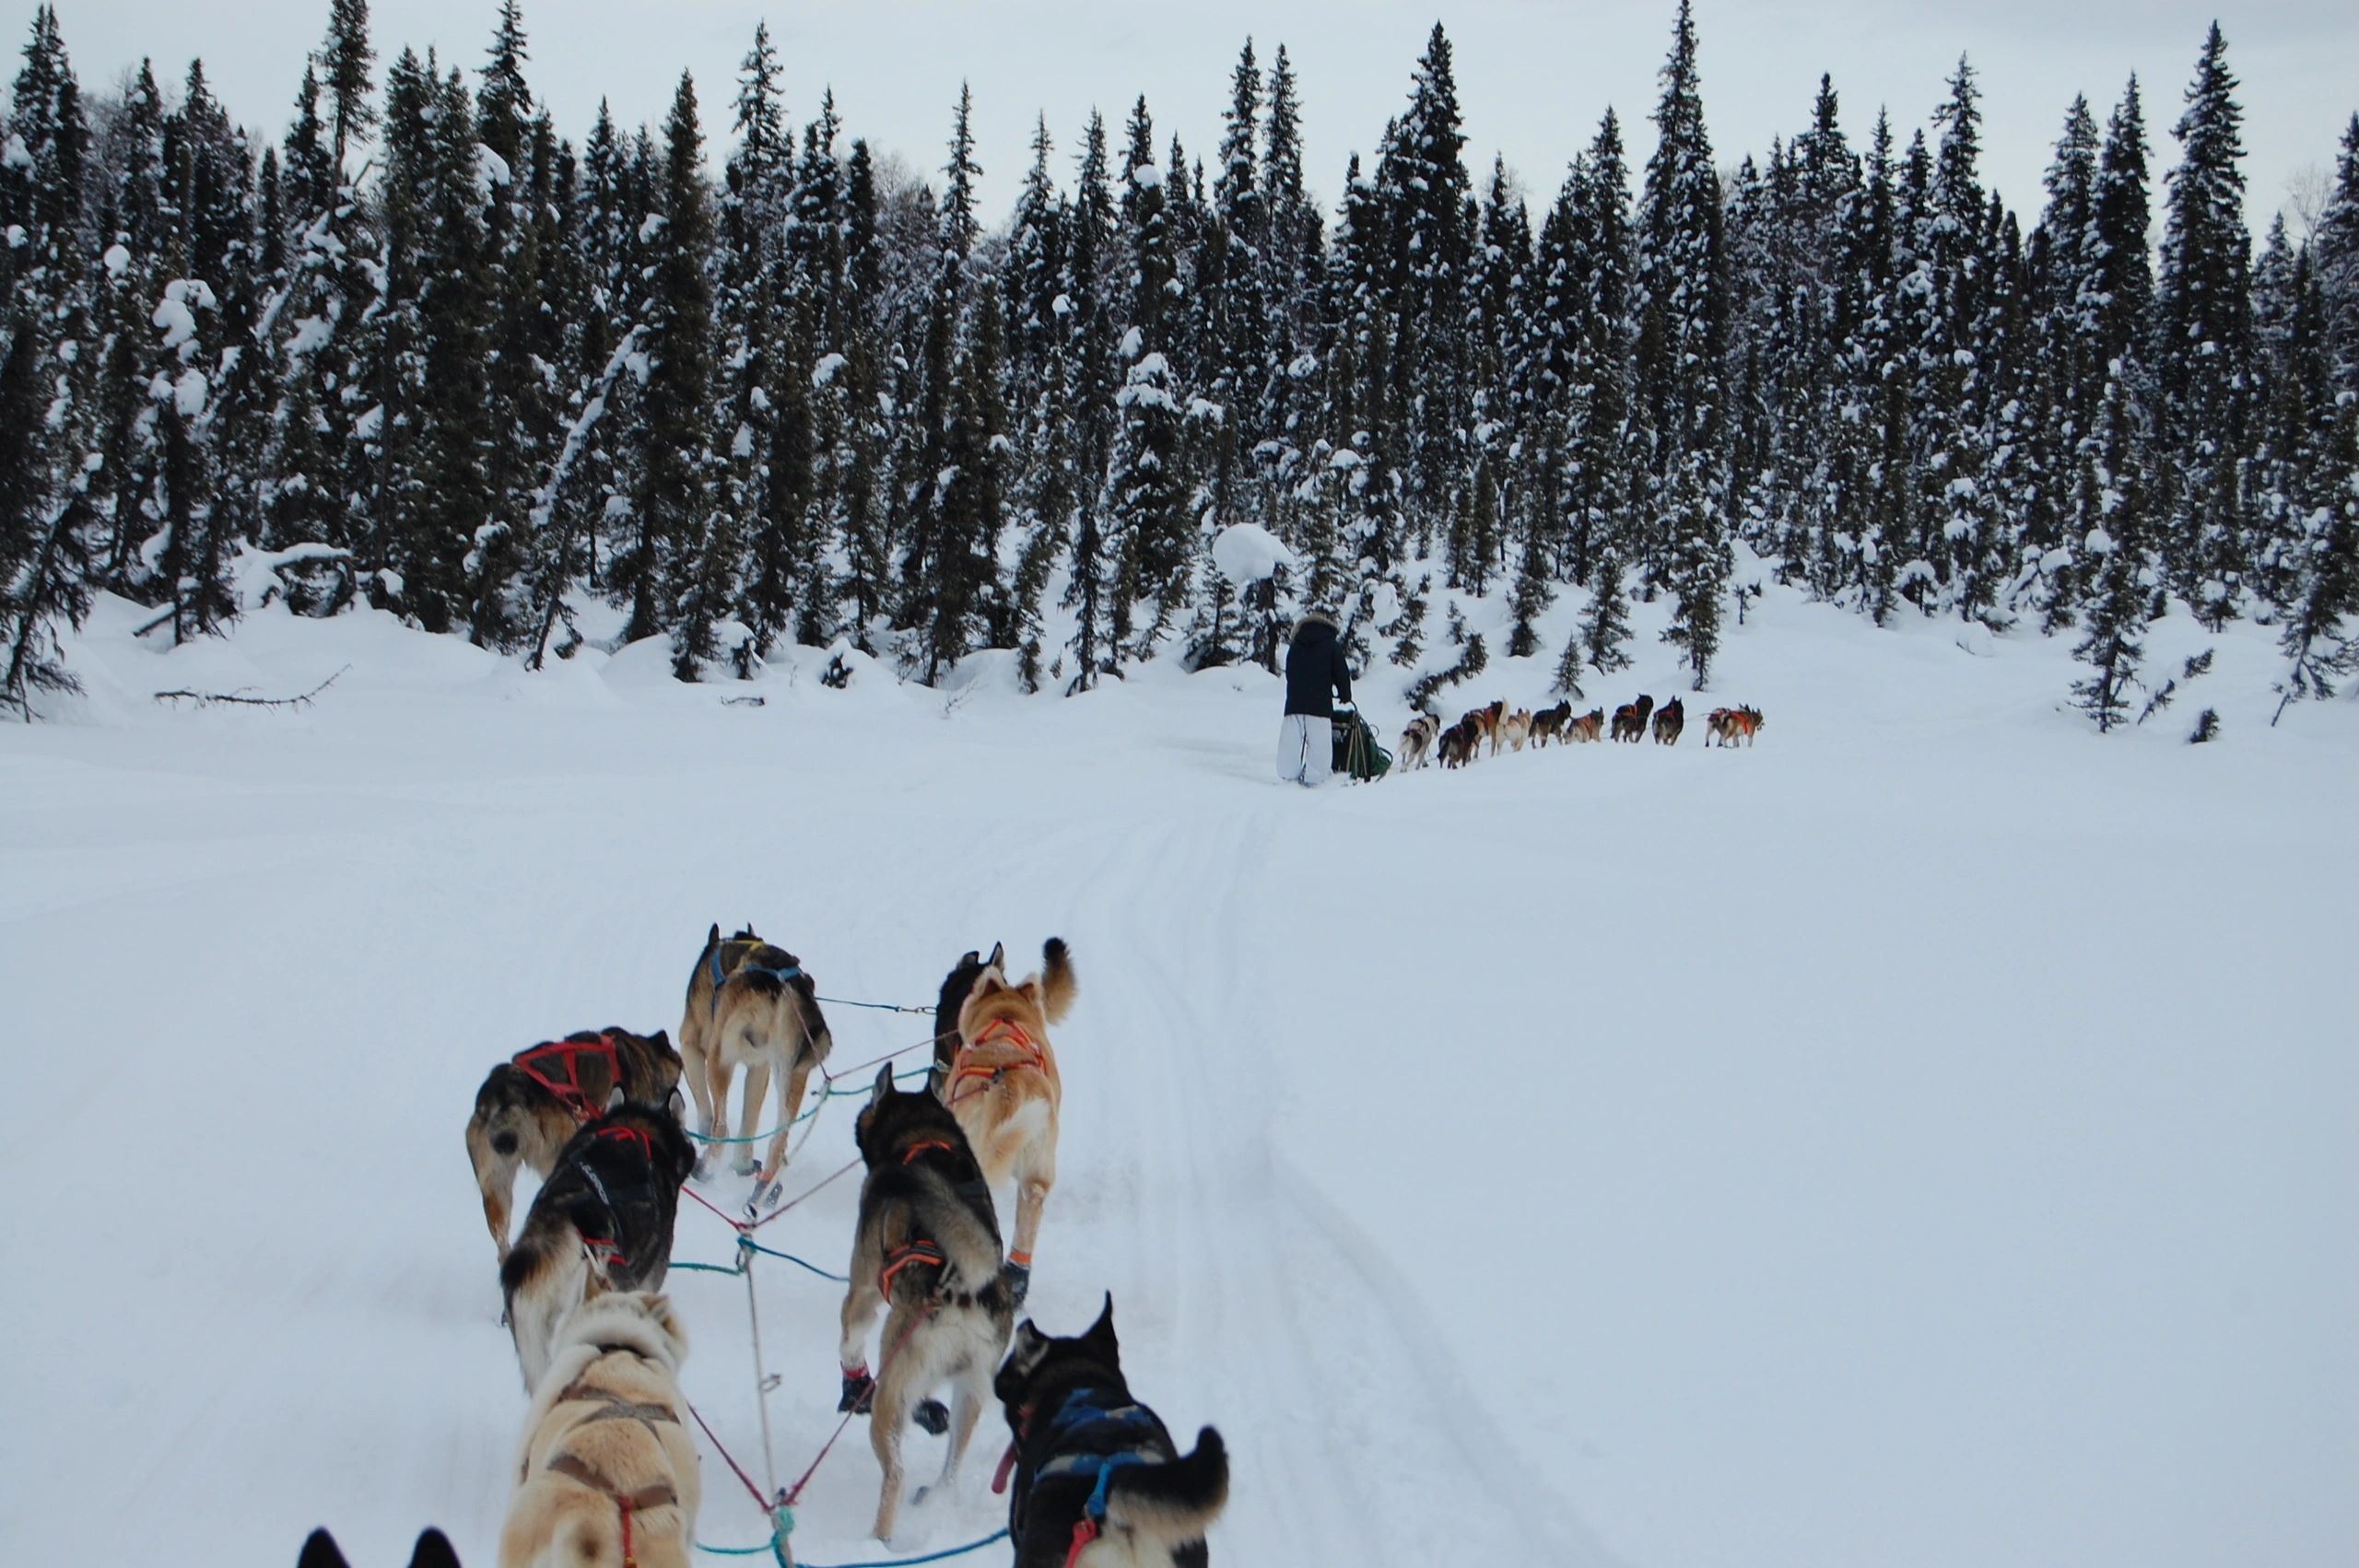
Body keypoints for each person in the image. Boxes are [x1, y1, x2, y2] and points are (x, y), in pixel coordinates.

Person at [1277, 609, 1352, 786]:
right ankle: (1315, 778)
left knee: (1291, 741)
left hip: (1294, 703)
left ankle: (1287, 776)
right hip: (1319, 704)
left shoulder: (1295, 646)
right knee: (1319, 744)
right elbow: (1341, 672)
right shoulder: (1331, 645)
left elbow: (1290, 673)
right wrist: (1345, 694)